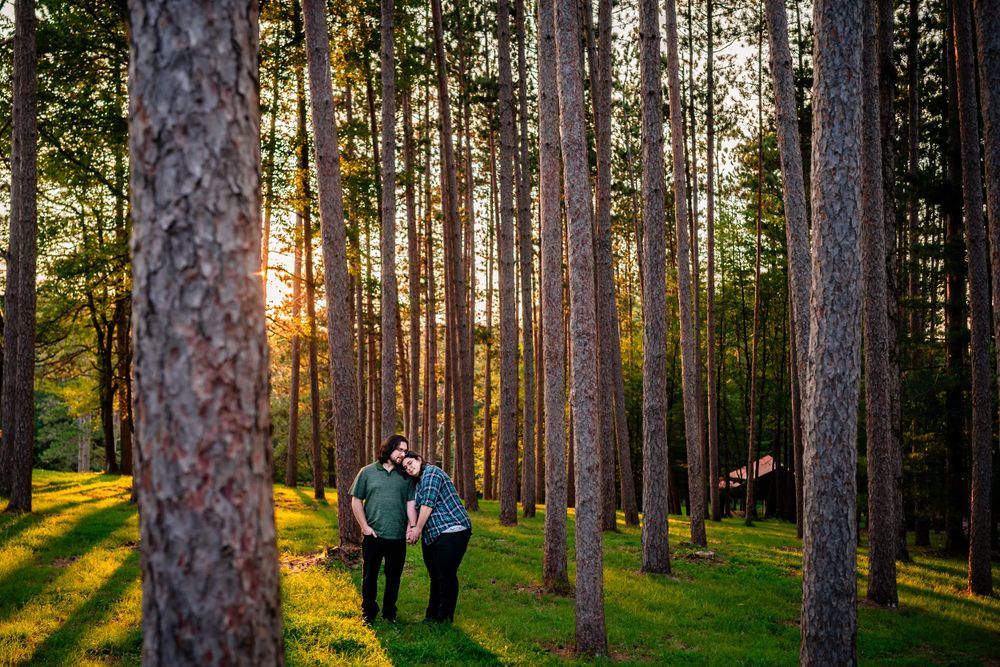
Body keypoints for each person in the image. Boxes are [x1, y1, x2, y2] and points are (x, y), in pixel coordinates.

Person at [349, 434, 417, 625]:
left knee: (394, 577)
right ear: (389, 449)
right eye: (400, 450)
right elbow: (356, 501)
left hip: (397, 536)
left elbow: (411, 502)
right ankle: (368, 613)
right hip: (373, 535)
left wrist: (412, 527)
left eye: (405, 450)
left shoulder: (405, 476)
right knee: (369, 576)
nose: (403, 454)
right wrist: (364, 527)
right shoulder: (367, 472)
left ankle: (389, 613)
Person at [401, 452, 472, 624]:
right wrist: (411, 529)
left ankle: (445, 619)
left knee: (446, 575)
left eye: (410, 463)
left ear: (419, 459)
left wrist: (417, 529)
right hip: (432, 534)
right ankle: (431, 616)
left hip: (452, 529)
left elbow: (428, 504)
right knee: (435, 576)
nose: (409, 468)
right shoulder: (416, 483)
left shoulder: (432, 472)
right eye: (405, 467)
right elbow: (413, 508)